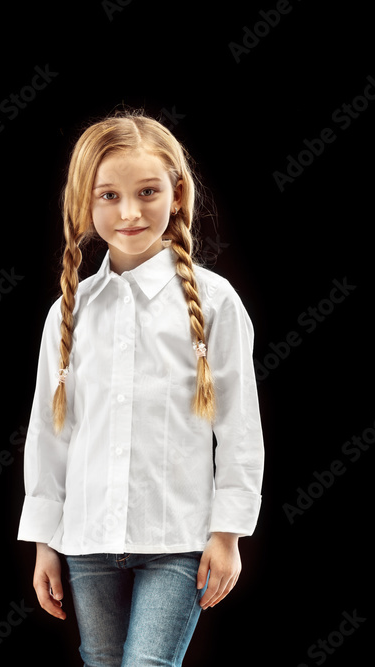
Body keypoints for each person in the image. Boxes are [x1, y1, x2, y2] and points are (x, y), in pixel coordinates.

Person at [17, 112, 264, 666]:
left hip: (178, 538)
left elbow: (240, 428)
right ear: (86, 202)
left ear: (176, 193)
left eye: (147, 191)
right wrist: (44, 541)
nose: (129, 212)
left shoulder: (216, 301)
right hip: (86, 540)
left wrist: (228, 535)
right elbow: (50, 432)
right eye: (109, 195)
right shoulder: (68, 313)